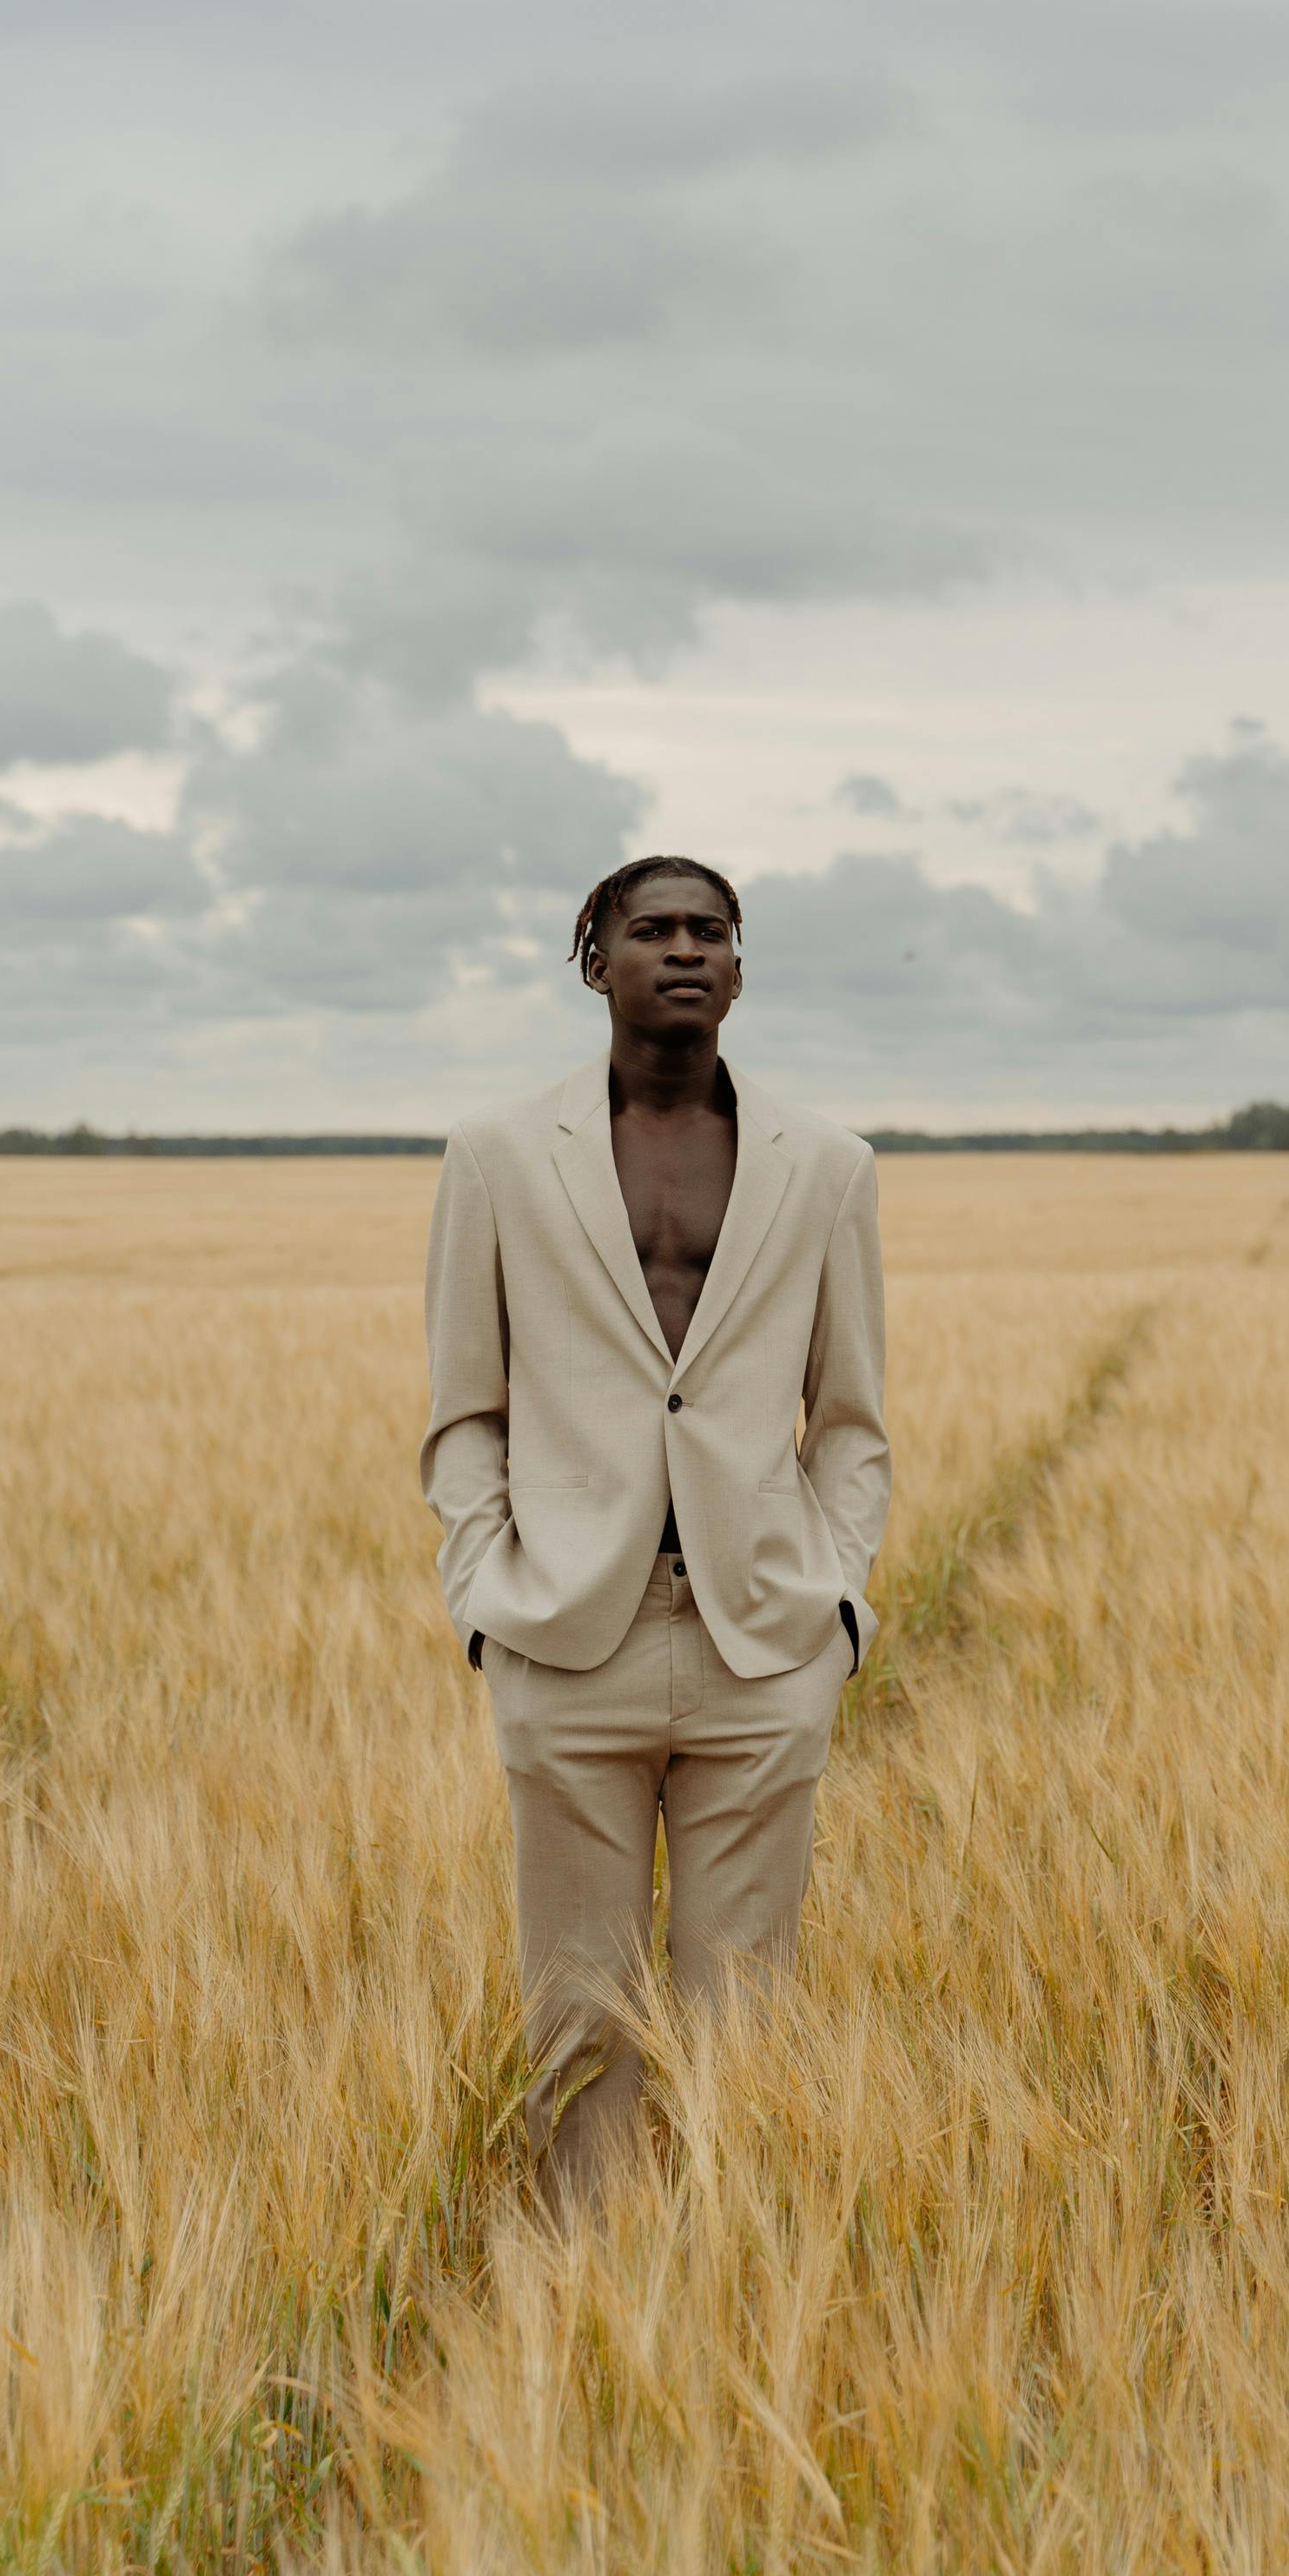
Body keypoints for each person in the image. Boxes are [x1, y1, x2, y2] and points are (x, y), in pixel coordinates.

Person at [420, 853, 889, 2194]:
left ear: (739, 969)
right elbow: (466, 1412)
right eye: (651, 930)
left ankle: (728, 2298)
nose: (683, 950)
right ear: (595, 963)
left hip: (763, 1641)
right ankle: (583, 2307)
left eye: (710, 932)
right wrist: (484, 1604)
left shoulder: (829, 1167)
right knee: (576, 2020)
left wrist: (836, 1618)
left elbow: (848, 1418)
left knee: (749, 2021)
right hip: (568, 1639)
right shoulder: (498, 1156)